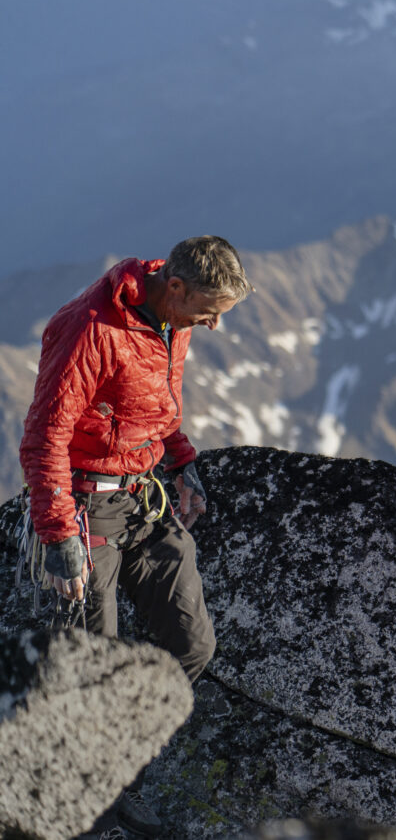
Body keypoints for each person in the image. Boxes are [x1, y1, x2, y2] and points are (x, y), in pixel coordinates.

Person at [18, 235, 250, 837]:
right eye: (210, 310)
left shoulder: (172, 318)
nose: (216, 324)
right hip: (88, 506)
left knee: (192, 645)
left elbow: (153, 405)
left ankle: (117, 770)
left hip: (146, 496)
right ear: (174, 286)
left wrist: (182, 462)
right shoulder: (90, 329)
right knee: (93, 664)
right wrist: (59, 535)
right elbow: (44, 437)